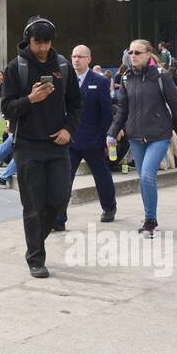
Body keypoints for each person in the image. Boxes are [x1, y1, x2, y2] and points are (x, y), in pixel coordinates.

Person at [1, 17, 81, 276]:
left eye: (47, 43)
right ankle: (36, 258)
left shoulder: (63, 67)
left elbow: (76, 105)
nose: (43, 48)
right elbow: (7, 108)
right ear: (28, 40)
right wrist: (30, 99)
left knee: (60, 198)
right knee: (33, 205)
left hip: (58, 145)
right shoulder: (16, 68)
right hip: (27, 145)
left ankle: (36, 240)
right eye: (38, 43)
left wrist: (69, 130)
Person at [106, 38, 177, 238]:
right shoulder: (127, 78)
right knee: (143, 179)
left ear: (148, 54)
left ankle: (151, 220)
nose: (133, 56)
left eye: (137, 52)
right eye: (131, 52)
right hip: (135, 135)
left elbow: (176, 105)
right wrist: (112, 132)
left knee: (147, 175)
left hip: (159, 135)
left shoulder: (162, 76)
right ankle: (148, 218)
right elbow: (122, 110)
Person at [57, 45, 115, 228]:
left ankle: (109, 207)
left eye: (80, 57)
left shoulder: (99, 81)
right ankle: (59, 219)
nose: (76, 60)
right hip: (70, 140)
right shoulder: (64, 79)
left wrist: (107, 136)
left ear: (89, 59)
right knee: (64, 180)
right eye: (73, 56)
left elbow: (106, 113)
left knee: (102, 177)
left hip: (93, 140)